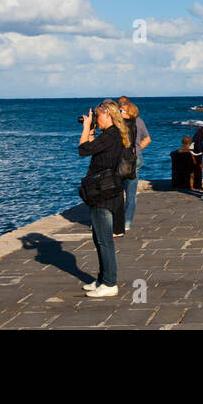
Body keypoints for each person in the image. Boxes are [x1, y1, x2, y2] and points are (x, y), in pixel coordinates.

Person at [77, 99, 130, 298]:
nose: (95, 120)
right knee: (99, 238)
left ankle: (109, 283)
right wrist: (91, 131)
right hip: (109, 190)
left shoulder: (110, 135)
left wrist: (85, 128)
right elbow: (94, 149)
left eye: (97, 116)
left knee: (104, 240)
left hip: (103, 193)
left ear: (108, 115)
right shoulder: (114, 135)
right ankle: (102, 278)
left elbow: (83, 150)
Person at [117, 96, 150, 231]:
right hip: (136, 157)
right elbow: (147, 139)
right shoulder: (139, 121)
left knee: (118, 191)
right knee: (131, 193)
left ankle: (117, 220)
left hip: (123, 159)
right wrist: (137, 150)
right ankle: (127, 222)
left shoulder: (119, 122)